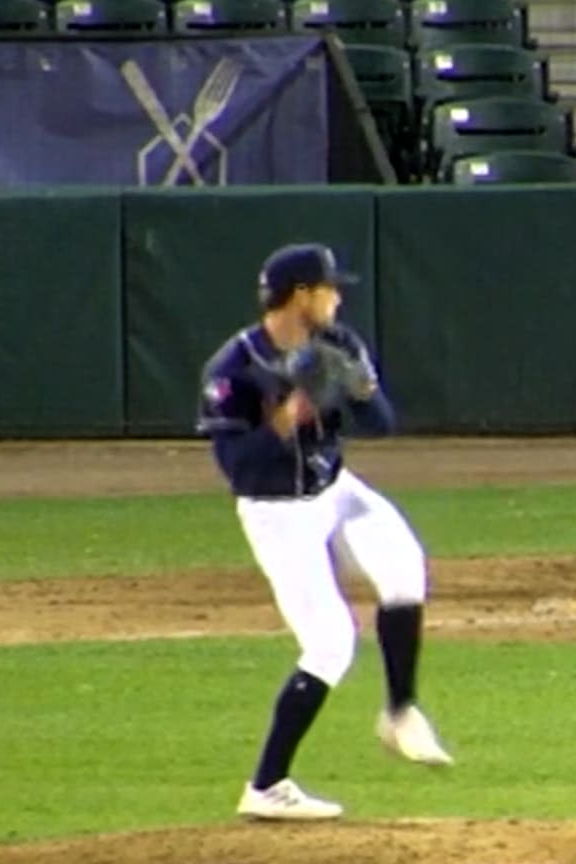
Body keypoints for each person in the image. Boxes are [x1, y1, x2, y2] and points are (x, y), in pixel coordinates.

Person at [197, 243, 453, 821]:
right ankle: (266, 786)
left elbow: (383, 425)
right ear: (301, 295)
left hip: (336, 490)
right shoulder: (233, 370)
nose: (338, 297)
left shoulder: (336, 344)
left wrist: (362, 389)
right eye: (330, 287)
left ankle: (400, 711)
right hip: (277, 513)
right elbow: (239, 469)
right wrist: (287, 421)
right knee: (331, 643)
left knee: (405, 569)